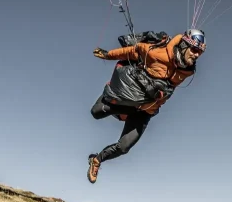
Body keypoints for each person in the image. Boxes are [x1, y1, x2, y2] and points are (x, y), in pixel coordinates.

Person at [86, 29, 205, 183]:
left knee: (124, 147)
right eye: (195, 49)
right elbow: (132, 51)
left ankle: (96, 160)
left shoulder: (187, 71)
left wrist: (158, 98)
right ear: (184, 45)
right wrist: (108, 55)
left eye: (200, 52)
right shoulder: (158, 53)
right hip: (129, 97)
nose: (196, 55)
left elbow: (170, 88)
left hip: (145, 111)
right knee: (96, 113)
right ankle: (113, 94)